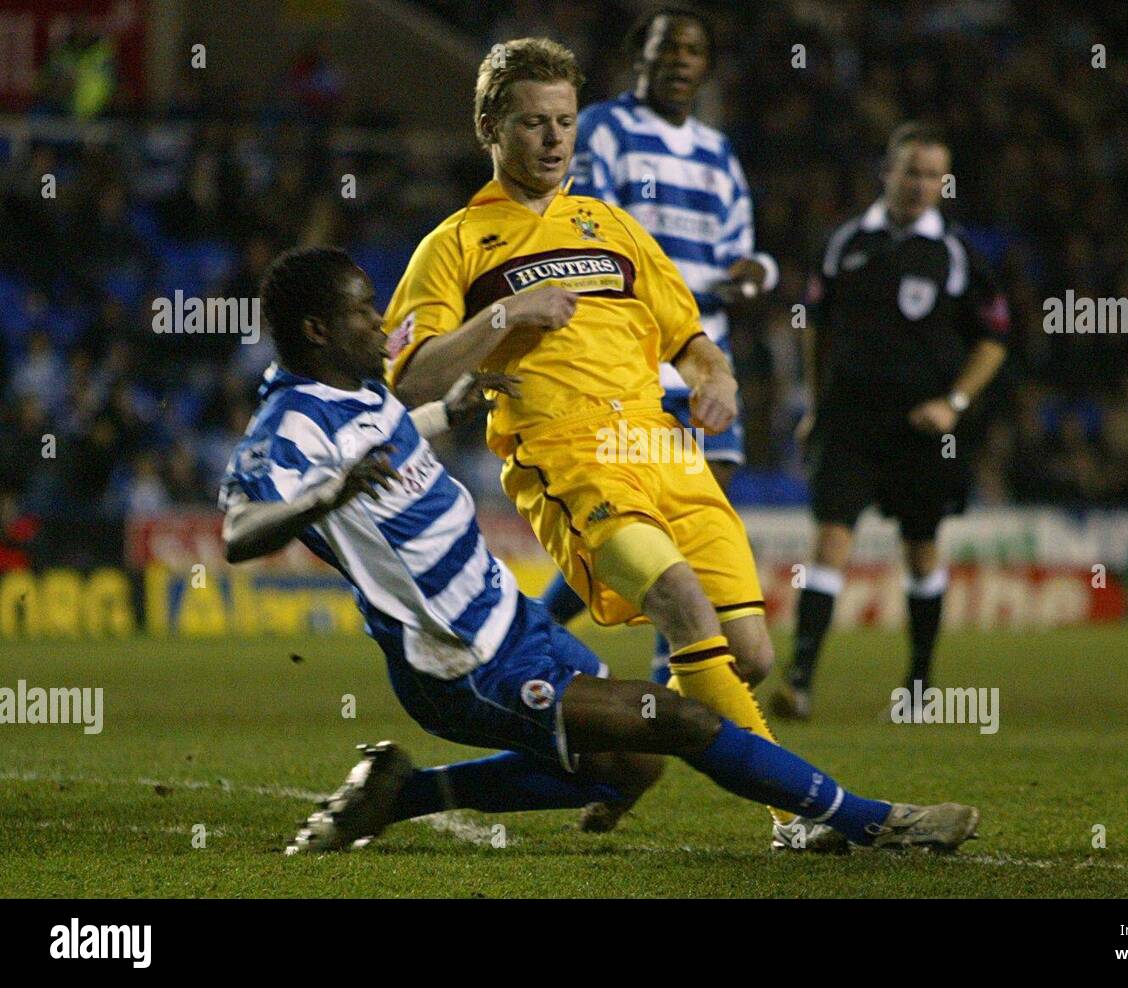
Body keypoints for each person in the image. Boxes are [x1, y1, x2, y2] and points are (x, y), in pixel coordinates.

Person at [219, 245, 981, 856]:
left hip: (509, 619)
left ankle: (400, 793)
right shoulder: (287, 426)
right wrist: (324, 498)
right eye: (361, 310)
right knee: (678, 722)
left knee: (631, 768)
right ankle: (875, 822)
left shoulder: (359, 389)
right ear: (317, 331)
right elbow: (239, 530)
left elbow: (387, 440)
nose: (380, 320)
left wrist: (446, 413)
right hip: (462, 661)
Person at [382, 37, 797, 839]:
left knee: (749, 656)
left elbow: (691, 336)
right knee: (680, 601)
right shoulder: (454, 244)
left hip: (664, 448)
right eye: (532, 123)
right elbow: (412, 378)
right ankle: (797, 814)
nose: (553, 140)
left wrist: (718, 378)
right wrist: (503, 316)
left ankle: (617, 739)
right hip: (571, 455)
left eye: (565, 122)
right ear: (488, 128)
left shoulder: (610, 225)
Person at [540, 5, 778, 686]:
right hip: (632, 361)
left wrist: (759, 271)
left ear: (707, 66)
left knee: (693, 532)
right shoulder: (604, 131)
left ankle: (664, 692)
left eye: (694, 49)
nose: (680, 59)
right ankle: (531, 635)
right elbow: (599, 239)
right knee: (625, 533)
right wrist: (714, 279)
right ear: (636, 56)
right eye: (665, 46)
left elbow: (738, 248)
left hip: (706, 361)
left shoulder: (718, 151)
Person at [770, 123, 1010, 722]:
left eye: (933, 175)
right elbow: (817, 332)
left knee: (922, 550)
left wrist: (952, 404)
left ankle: (919, 690)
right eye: (911, 171)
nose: (921, 185)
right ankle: (799, 685)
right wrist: (816, 406)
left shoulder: (956, 254)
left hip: (921, 432)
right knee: (829, 540)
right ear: (888, 173)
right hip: (849, 422)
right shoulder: (847, 243)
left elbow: (995, 341)